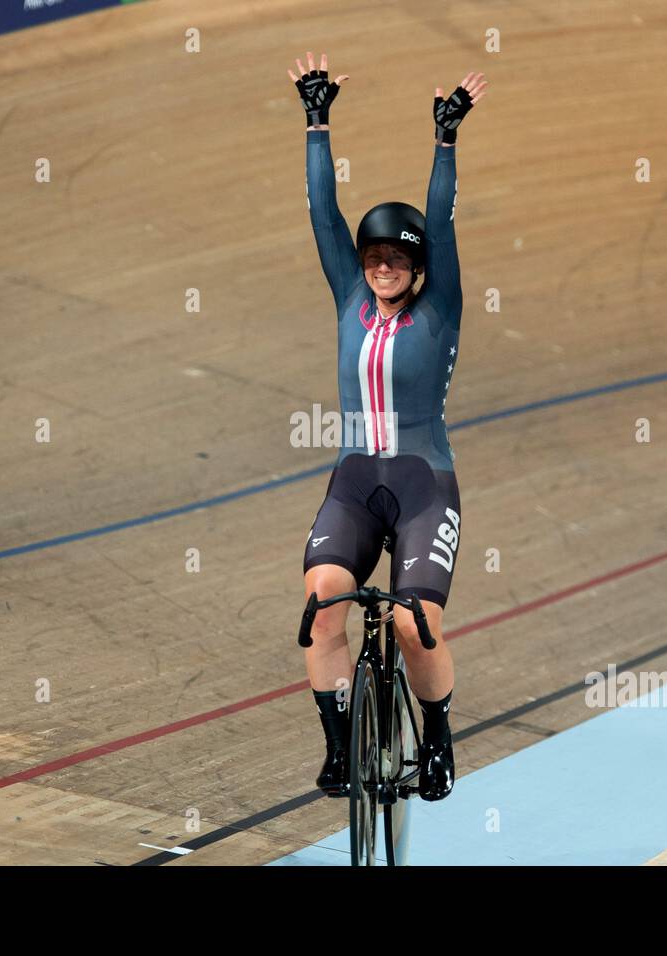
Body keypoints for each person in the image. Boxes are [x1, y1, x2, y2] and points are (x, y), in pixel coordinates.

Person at [288, 52, 486, 801]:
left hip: (423, 485)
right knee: (321, 605)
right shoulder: (349, 298)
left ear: (417, 266)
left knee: (413, 625)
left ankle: (436, 738)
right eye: (371, 257)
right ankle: (341, 750)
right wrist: (316, 123)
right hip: (355, 483)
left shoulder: (442, 308)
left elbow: (439, 219)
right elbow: (321, 213)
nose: (380, 266)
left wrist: (445, 142)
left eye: (395, 258)